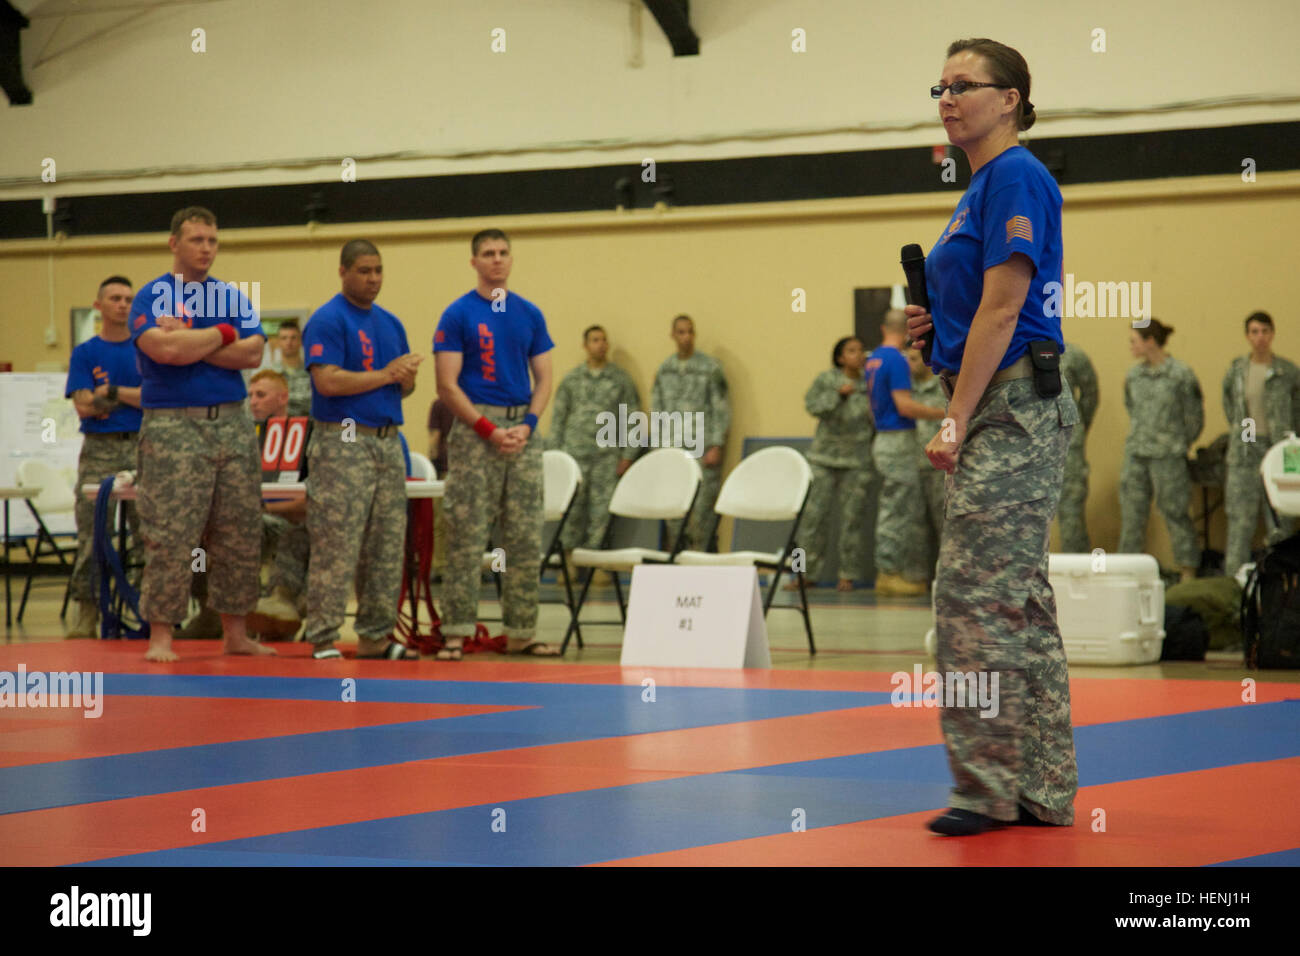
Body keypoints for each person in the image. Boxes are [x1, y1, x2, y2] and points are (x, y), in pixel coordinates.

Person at [906, 38, 1078, 835]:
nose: (947, 97)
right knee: (1020, 602)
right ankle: (1040, 785)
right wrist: (933, 324)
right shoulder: (976, 188)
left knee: (970, 598)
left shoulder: (1014, 174)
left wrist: (954, 416)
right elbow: (976, 305)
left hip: (1012, 409)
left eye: (964, 85)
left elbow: (1005, 310)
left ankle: (984, 789)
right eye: (940, 85)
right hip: (1002, 404)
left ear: (1009, 98)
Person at [129, 206, 275, 662]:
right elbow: (166, 350)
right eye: (197, 240)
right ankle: (161, 637)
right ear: (174, 243)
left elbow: (252, 355)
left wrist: (201, 335)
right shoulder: (152, 297)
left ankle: (235, 633)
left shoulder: (230, 297)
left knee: (238, 531)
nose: (207, 249)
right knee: (171, 532)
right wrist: (223, 337)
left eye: (212, 240)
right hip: (173, 424)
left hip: (231, 421)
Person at [433, 228, 559, 659]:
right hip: (475, 430)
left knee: (524, 536)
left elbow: (545, 378)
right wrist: (487, 429)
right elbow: (446, 386)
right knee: (467, 534)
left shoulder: (528, 313)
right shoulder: (457, 314)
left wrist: (527, 424)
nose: (497, 260)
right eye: (488, 253)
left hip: (521, 432)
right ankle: (456, 631)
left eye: (504, 253)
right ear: (474, 262)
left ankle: (522, 631)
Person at [300, 239, 421, 660]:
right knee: (338, 540)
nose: (373, 279)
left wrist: (403, 378)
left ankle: (375, 636)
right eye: (365, 270)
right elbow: (328, 382)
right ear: (343, 271)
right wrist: (387, 374)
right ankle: (321, 635)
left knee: (386, 542)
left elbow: (403, 387)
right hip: (344, 437)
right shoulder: (328, 320)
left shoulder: (391, 323)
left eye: (379, 270)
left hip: (387, 440)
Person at [65, 276, 143, 639]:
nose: (123, 304)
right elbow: (82, 406)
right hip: (99, 449)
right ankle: (87, 611)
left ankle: (144, 609)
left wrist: (109, 393)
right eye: (115, 298)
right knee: (92, 533)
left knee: (151, 534)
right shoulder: (86, 352)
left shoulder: (145, 347)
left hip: (143, 446)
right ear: (99, 305)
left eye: (128, 298)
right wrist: (127, 397)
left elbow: (153, 399)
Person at [866, 310, 945, 596]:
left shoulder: (874, 358)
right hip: (897, 440)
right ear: (910, 333)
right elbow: (905, 406)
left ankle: (892, 570)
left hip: (884, 437)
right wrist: (945, 412)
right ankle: (889, 572)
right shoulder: (896, 360)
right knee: (897, 510)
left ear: (882, 327)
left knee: (896, 507)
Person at [1119, 319, 1203, 581]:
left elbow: (1194, 419)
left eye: (1134, 340)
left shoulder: (1181, 374)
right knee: (1132, 516)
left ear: (1150, 341)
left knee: (1176, 513)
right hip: (1137, 454)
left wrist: (1176, 443)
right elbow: (1131, 407)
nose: (1130, 346)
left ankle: (1187, 574)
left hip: (1169, 456)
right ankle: (1126, 575)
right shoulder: (1133, 376)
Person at [548, 326, 641, 564]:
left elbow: (632, 416)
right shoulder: (571, 379)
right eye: (595, 340)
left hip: (606, 457)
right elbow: (559, 418)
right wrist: (558, 457)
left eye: (603, 340)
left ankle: (597, 563)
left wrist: (628, 455)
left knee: (602, 512)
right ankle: (569, 561)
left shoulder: (620, 380)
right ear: (585, 345)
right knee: (572, 510)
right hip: (575, 454)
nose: (600, 344)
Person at [1221, 311, 1300, 575]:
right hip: (1245, 448)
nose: (1260, 338)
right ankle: (1235, 585)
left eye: (1265, 331)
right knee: (1240, 520)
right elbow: (1229, 404)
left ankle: (1282, 581)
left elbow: (1297, 409)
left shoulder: (1287, 372)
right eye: (1254, 332)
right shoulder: (1237, 371)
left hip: (1279, 450)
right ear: (1247, 336)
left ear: (1272, 334)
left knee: (1281, 520)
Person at [793, 336, 874, 591]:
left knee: (852, 520)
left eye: (861, 350)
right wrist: (837, 396)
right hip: (823, 458)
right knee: (811, 519)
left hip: (857, 460)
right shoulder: (826, 380)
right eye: (851, 351)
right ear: (840, 357)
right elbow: (812, 406)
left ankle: (847, 576)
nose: (858, 354)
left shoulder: (870, 383)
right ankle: (802, 575)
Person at [650, 315, 730, 551]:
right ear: (672, 335)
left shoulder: (710, 368)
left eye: (690, 332)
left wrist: (716, 444)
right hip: (673, 448)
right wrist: (659, 450)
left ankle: (701, 559)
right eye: (681, 332)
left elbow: (721, 407)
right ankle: (679, 559)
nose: (686, 337)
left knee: (703, 511)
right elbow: (658, 410)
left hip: (702, 447)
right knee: (674, 509)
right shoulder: (665, 370)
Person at [1056, 342, 1099, 552]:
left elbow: (1091, 395)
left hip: (1068, 443)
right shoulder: (1018, 352)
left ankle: (1078, 573)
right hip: (1028, 444)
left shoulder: (1073, 355)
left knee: (1071, 512)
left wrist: (1078, 425)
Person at [908, 347, 947, 569]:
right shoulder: (905, 389)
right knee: (915, 527)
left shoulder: (942, 385)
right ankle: (918, 577)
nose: (910, 364)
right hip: (913, 464)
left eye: (914, 358)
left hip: (939, 467)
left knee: (944, 523)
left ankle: (946, 574)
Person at [264, 319, 311, 417]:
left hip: (308, 425)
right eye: (284, 338)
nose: (289, 342)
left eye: (293, 338)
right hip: (278, 427)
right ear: (278, 342)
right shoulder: (270, 375)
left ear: (301, 341)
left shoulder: (311, 371)